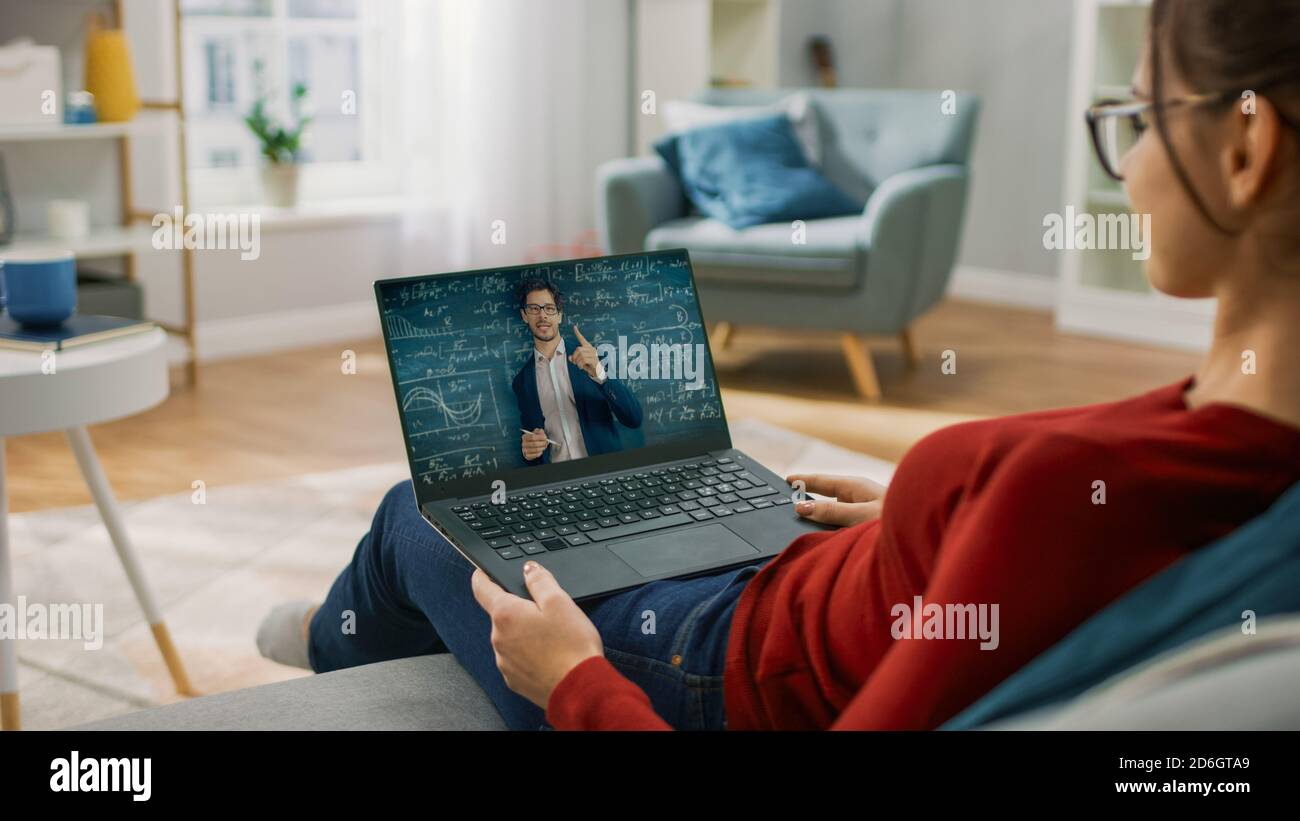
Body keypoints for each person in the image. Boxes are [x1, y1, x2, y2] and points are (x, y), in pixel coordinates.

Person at [258, 0, 1300, 730]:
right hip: (799, 577)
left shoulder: (1076, 493)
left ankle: (329, 648)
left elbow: (1066, 523)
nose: (1127, 170)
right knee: (614, 493)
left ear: (1247, 152)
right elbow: (1070, 561)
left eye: (1136, 119)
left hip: (711, 664)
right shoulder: (1242, 451)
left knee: (417, 509)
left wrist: (573, 680)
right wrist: (920, 522)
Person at [510, 278, 642, 465]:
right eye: (534, 309)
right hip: (557, 482)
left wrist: (599, 374)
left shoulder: (589, 357)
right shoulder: (522, 382)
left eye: (549, 308)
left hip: (605, 473)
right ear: (524, 315)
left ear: (559, 315)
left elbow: (633, 418)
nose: (542, 316)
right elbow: (534, 447)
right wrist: (529, 451)